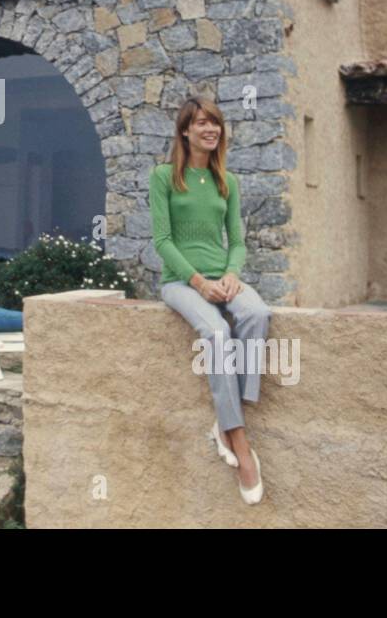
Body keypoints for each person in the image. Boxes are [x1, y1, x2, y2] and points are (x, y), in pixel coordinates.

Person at [149, 96, 272, 504]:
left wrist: (232, 274)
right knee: (217, 333)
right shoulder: (164, 177)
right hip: (181, 282)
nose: (210, 129)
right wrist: (199, 282)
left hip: (224, 275)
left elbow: (237, 242)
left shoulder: (227, 181)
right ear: (185, 130)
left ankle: (226, 418)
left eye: (215, 122)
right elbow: (162, 242)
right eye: (201, 122)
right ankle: (238, 441)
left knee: (256, 313)